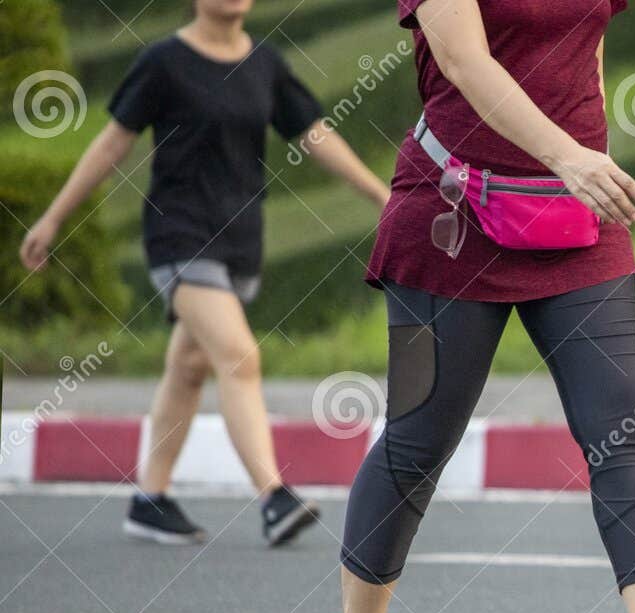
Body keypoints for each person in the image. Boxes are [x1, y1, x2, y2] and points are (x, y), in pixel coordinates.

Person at [302, 0, 635, 613]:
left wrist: (587, 144)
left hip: (574, 217)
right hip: (448, 217)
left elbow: (588, 40)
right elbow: (463, 60)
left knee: (624, 428)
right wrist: (567, 153)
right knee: (420, 438)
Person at [19, 0, 389, 547]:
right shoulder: (164, 62)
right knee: (240, 356)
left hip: (240, 242)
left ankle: (150, 498)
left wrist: (383, 198)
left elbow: (315, 137)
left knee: (190, 366)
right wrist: (53, 219)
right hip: (180, 237)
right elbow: (112, 143)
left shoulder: (264, 64)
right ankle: (273, 497)